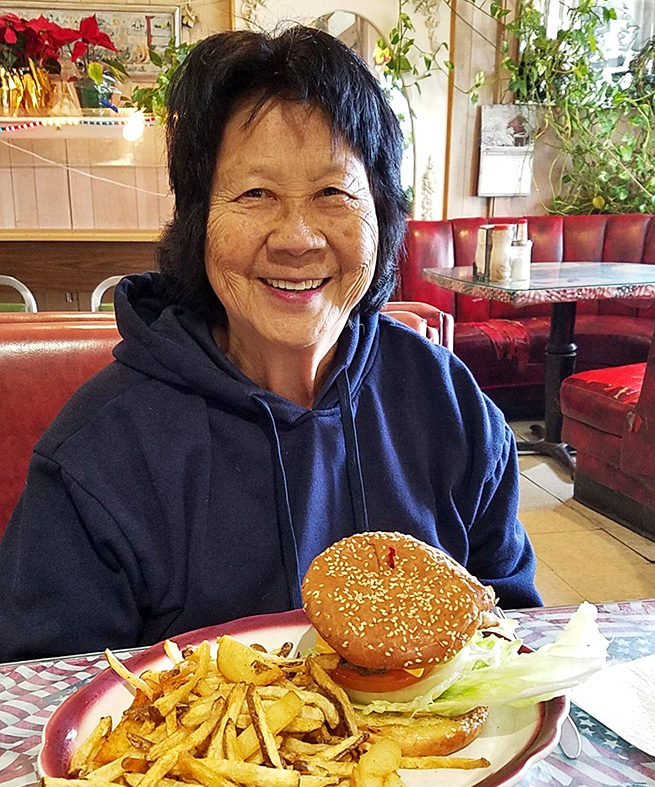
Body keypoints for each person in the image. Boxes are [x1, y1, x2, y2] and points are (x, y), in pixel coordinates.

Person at [0, 26, 541, 663]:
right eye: (255, 194)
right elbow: (44, 691)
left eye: (333, 193)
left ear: (382, 214)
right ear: (198, 220)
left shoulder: (449, 404)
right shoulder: (99, 452)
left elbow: (510, 634)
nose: (296, 238)